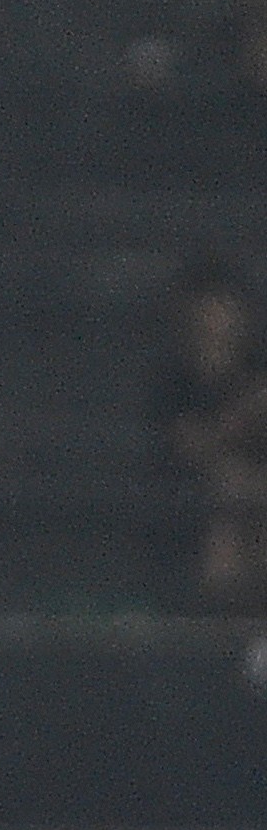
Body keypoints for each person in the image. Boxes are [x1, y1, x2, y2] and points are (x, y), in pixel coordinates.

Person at [164, 254, 267, 615]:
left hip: (254, 499)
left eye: (223, 311)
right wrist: (240, 419)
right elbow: (188, 447)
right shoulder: (173, 386)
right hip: (191, 505)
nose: (215, 323)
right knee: (229, 491)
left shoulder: (256, 371)